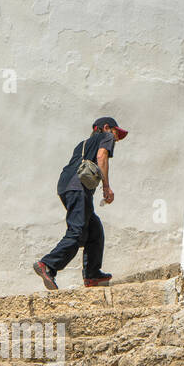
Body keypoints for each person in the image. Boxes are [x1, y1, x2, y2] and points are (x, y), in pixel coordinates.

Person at [33, 116, 127, 289]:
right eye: (116, 133)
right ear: (106, 127)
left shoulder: (82, 144)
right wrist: (106, 187)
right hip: (78, 188)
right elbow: (102, 157)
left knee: (94, 230)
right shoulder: (106, 137)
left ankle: (92, 274)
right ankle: (48, 265)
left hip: (65, 187)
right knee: (76, 231)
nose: (116, 138)